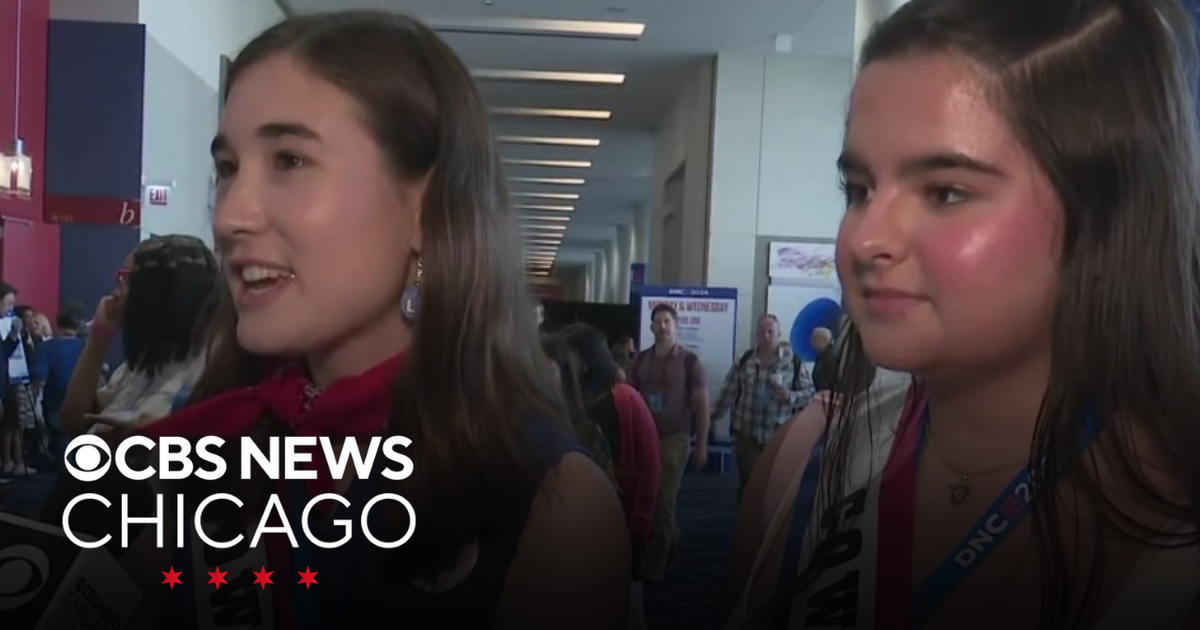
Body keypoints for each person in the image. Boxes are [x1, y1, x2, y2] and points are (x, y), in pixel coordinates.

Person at [95, 11, 628, 629]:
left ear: (424, 211)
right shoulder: (199, 449)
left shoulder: (552, 506)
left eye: (290, 161)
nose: (231, 215)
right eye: (228, 168)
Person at [725, 0, 1200, 628]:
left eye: (946, 191)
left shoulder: (1173, 505)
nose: (865, 239)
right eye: (860, 190)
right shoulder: (806, 459)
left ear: (1102, 216)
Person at [556, 323, 662, 630]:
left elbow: (650, 467)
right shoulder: (564, 399)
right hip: (574, 521)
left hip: (620, 516)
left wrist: (639, 528)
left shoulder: (626, 399)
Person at [58, 235, 217, 437]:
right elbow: (73, 421)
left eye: (126, 280)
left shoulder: (209, 370)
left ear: (158, 291)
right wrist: (99, 339)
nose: (116, 293)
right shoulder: (145, 362)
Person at [627, 302, 709, 582]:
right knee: (646, 498)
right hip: (645, 437)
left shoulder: (689, 361)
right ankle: (671, 535)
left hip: (676, 437)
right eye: (658, 322)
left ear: (676, 326)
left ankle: (657, 564)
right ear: (651, 326)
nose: (662, 327)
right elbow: (630, 396)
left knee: (663, 501)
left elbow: (701, 403)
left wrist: (702, 444)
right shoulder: (640, 360)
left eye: (667, 322)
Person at [711, 314, 813, 500]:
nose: (766, 336)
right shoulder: (745, 360)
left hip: (778, 436)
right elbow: (728, 391)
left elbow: (810, 394)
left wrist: (790, 396)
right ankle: (746, 524)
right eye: (761, 332)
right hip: (747, 434)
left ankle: (769, 527)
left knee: (774, 488)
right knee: (749, 486)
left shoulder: (793, 362)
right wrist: (711, 418)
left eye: (770, 332)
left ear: (779, 333)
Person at [30, 304, 87, 464]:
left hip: (55, 407)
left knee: (64, 453)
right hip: (85, 405)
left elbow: (40, 380)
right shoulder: (86, 346)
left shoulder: (46, 348)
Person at [808, 327, 836, 392]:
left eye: (814, 338)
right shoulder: (822, 357)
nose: (810, 341)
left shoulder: (830, 358)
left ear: (823, 340)